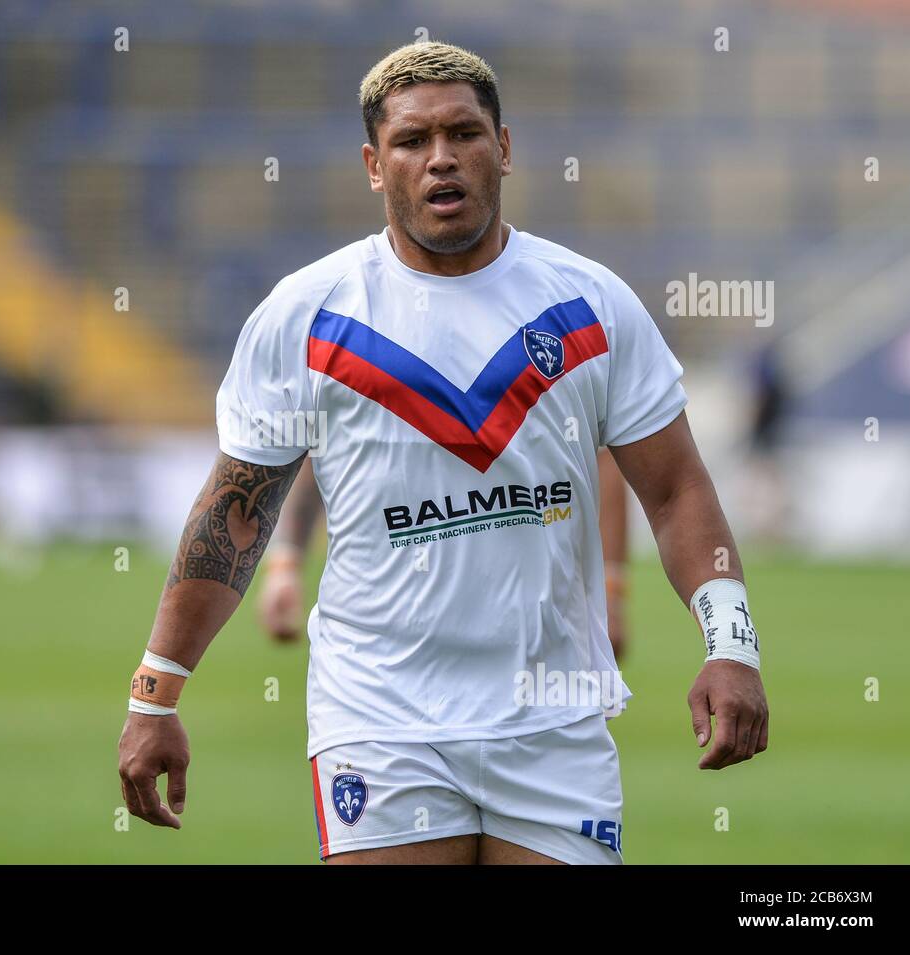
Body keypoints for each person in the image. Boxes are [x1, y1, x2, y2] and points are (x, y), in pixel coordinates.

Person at [118, 40, 767, 864]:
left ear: (504, 147)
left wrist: (732, 644)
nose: (440, 159)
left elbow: (677, 493)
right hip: (379, 718)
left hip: (553, 718)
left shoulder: (591, 303)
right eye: (411, 141)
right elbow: (233, 516)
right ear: (372, 164)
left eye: (463, 133)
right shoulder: (305, 316)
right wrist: (155, 692)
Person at [259, 448, 632, 661]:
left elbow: (600, 455)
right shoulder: (361, 326)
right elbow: (323, 438)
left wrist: (609, 591)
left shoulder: (553, 325)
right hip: (385, 663)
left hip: (537, 645)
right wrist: (286, 564)